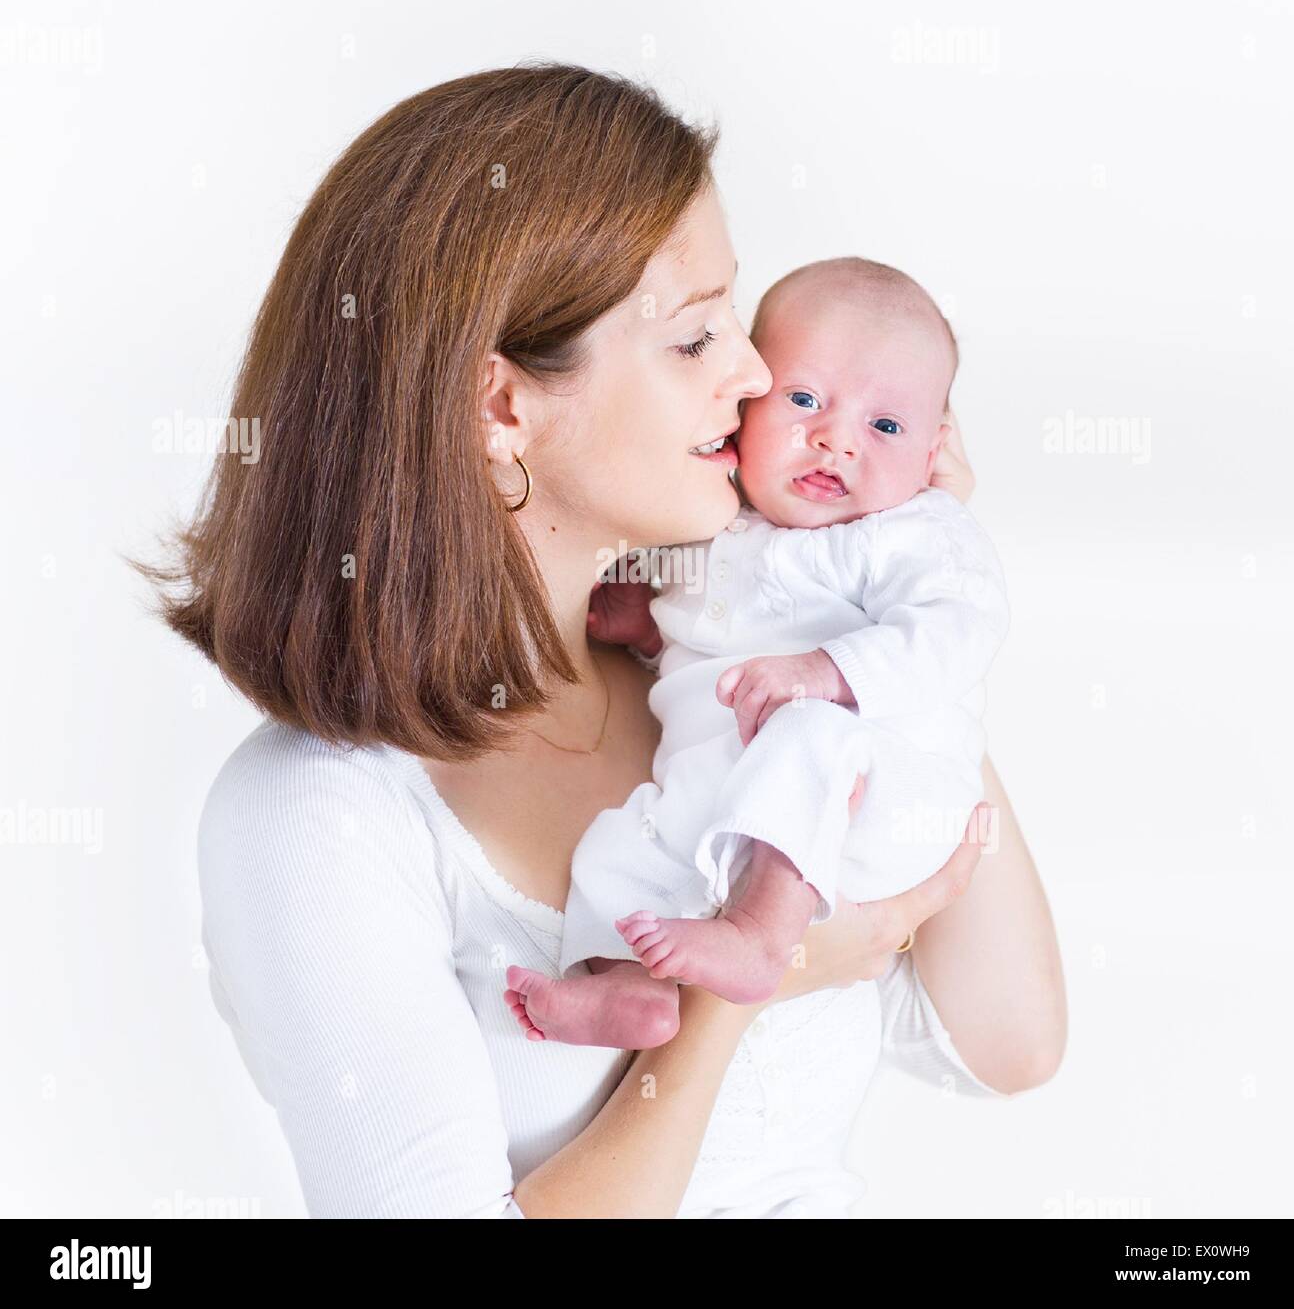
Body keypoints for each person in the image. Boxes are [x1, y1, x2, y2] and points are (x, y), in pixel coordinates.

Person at [140, 62, 1067, 1217]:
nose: (756, 373)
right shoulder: (316, 814)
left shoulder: (691, 676)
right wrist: (737, 986)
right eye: (694, 339)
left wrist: (884, 564)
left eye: (735, 318)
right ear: (500, 408)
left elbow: (1007, 1041)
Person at [507, 258, 1011, 1048]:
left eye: (885, 428)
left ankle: (762, 935)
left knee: (811, 733)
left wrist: (830, 675)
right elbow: (707, 619)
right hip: (730, 792)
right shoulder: (720, 520)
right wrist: (645, 623)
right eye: (804, 400)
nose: (834, 441)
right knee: (628, 842)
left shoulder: (918, 532)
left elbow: (956, 631)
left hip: (876, 792)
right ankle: (619, 983)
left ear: (934, 450)